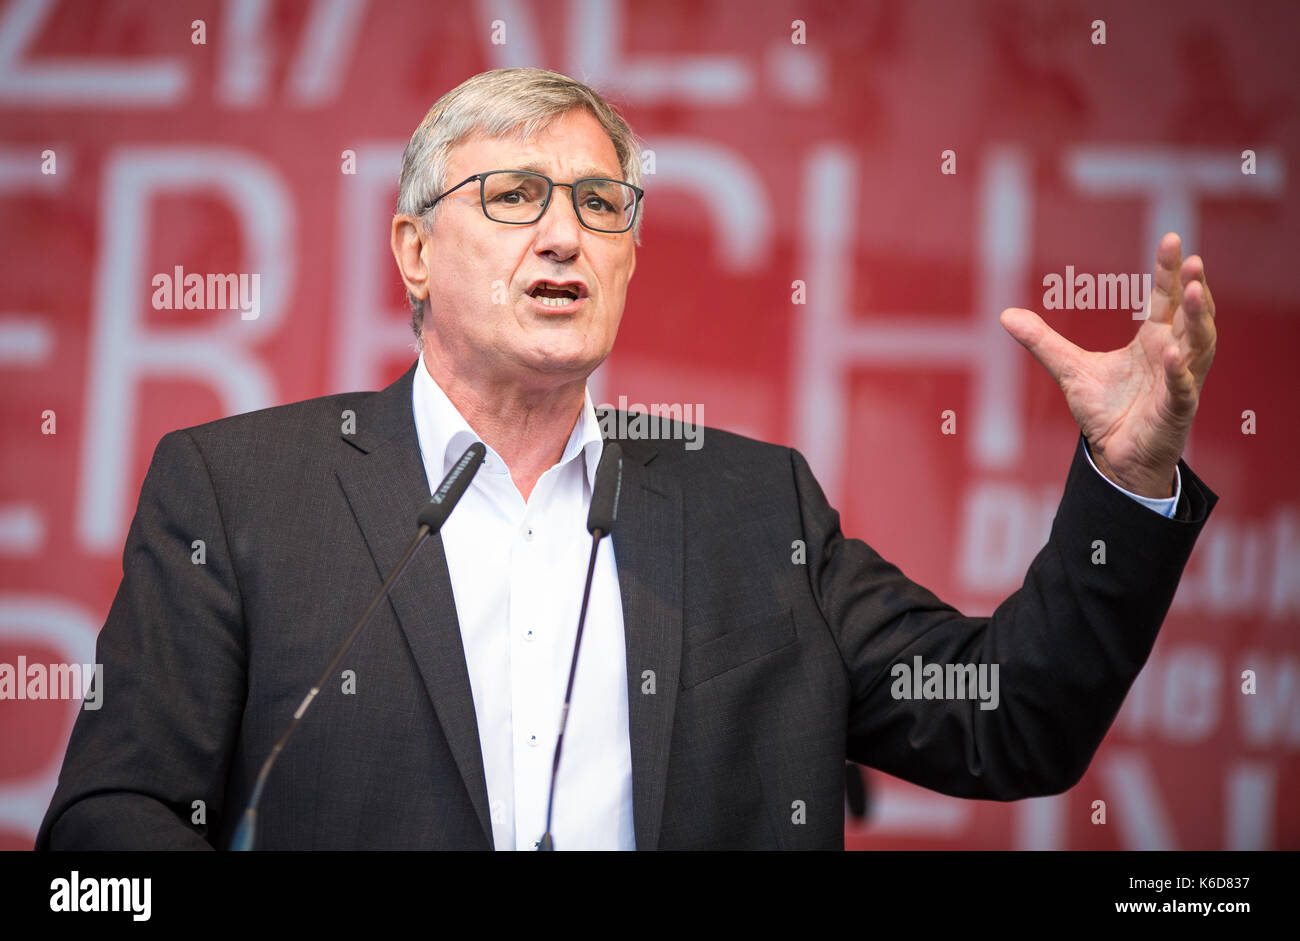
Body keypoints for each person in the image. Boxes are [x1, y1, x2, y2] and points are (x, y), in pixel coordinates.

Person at [37, 67, 1218, 851]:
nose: (566, 232)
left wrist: (1125, 477)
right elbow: (110, 827)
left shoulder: (756, 505)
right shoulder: (243, 488)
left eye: (603, 205)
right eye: (515, 195)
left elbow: (1007, 719)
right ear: (412, 249)